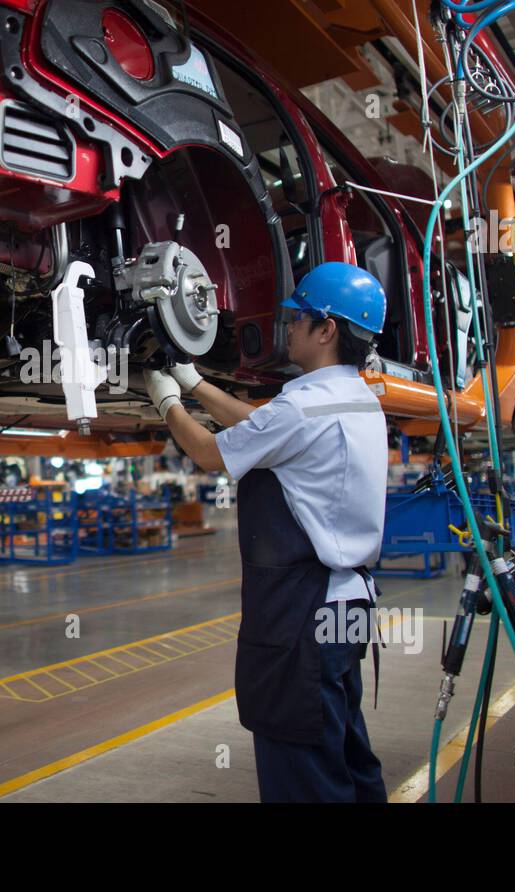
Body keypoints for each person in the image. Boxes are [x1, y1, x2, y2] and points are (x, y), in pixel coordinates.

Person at [143, 261, 389, 802]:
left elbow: (210, 453)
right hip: (347, 603)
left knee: (300, 759)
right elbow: (262, 428)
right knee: (345, 745)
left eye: (299, 318)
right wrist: (195, 382)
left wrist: (166, 402)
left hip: (301, 609)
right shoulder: (356, 397)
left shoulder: (304, 405)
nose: (289, 327)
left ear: (326, 330)